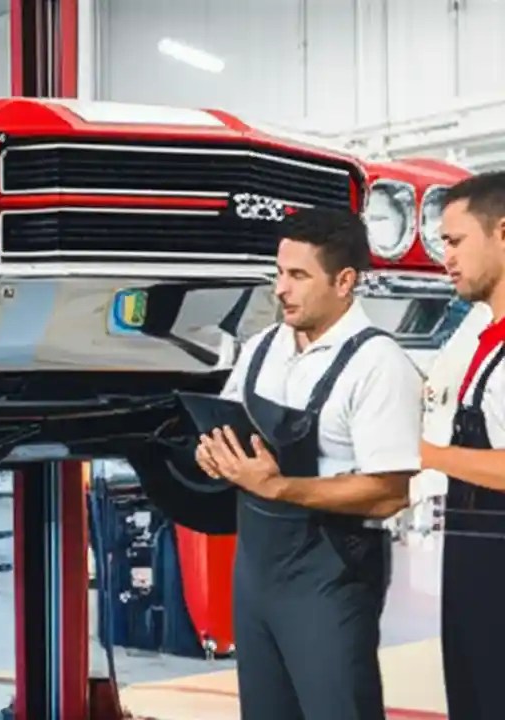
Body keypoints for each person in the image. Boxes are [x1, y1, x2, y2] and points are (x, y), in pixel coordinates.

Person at [193, 206, 425, 720]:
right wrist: (213, 454)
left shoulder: (377, 364)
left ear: (345, 281)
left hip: (331, 578)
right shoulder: (261, 348)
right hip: (255, 574)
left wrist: (279, 487)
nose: (281, 289)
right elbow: (228, 426)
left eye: (298, 276)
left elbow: (389, 492)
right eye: (279, 272)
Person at [416, 170, 505, 719]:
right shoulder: (481, 340)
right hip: (474, 569)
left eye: (455, 241)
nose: (445, 258)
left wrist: (423, 454)